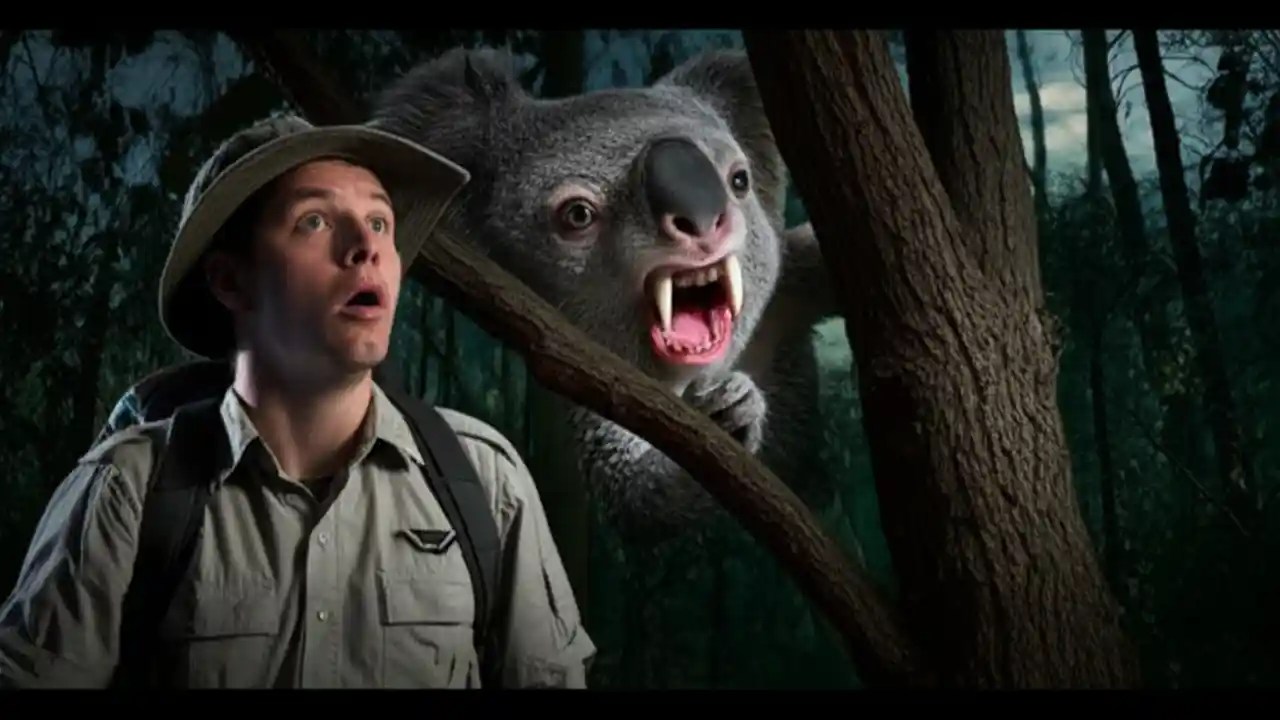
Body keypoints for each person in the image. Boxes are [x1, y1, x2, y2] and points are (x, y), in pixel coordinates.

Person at [0, 114, 596, 689]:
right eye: (314, 221)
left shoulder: (485, 483)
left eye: (381, 222)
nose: (367, 247)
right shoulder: (127, 492)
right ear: (230, 281)